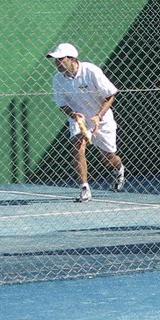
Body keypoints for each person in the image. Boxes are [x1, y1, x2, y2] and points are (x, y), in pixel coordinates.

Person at [48, 42, 126, 203]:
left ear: (72, 59)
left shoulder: (91, 71)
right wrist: (74, 115)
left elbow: (110, 95)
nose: (57, 63)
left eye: (60, 59)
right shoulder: (58, 79)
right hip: (79, 119)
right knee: (77, 146)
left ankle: (118, 168)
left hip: (102, 119)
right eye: (56, 60)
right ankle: (84, 188)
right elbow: (62, 104)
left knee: (108, 157)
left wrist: (98, 116)